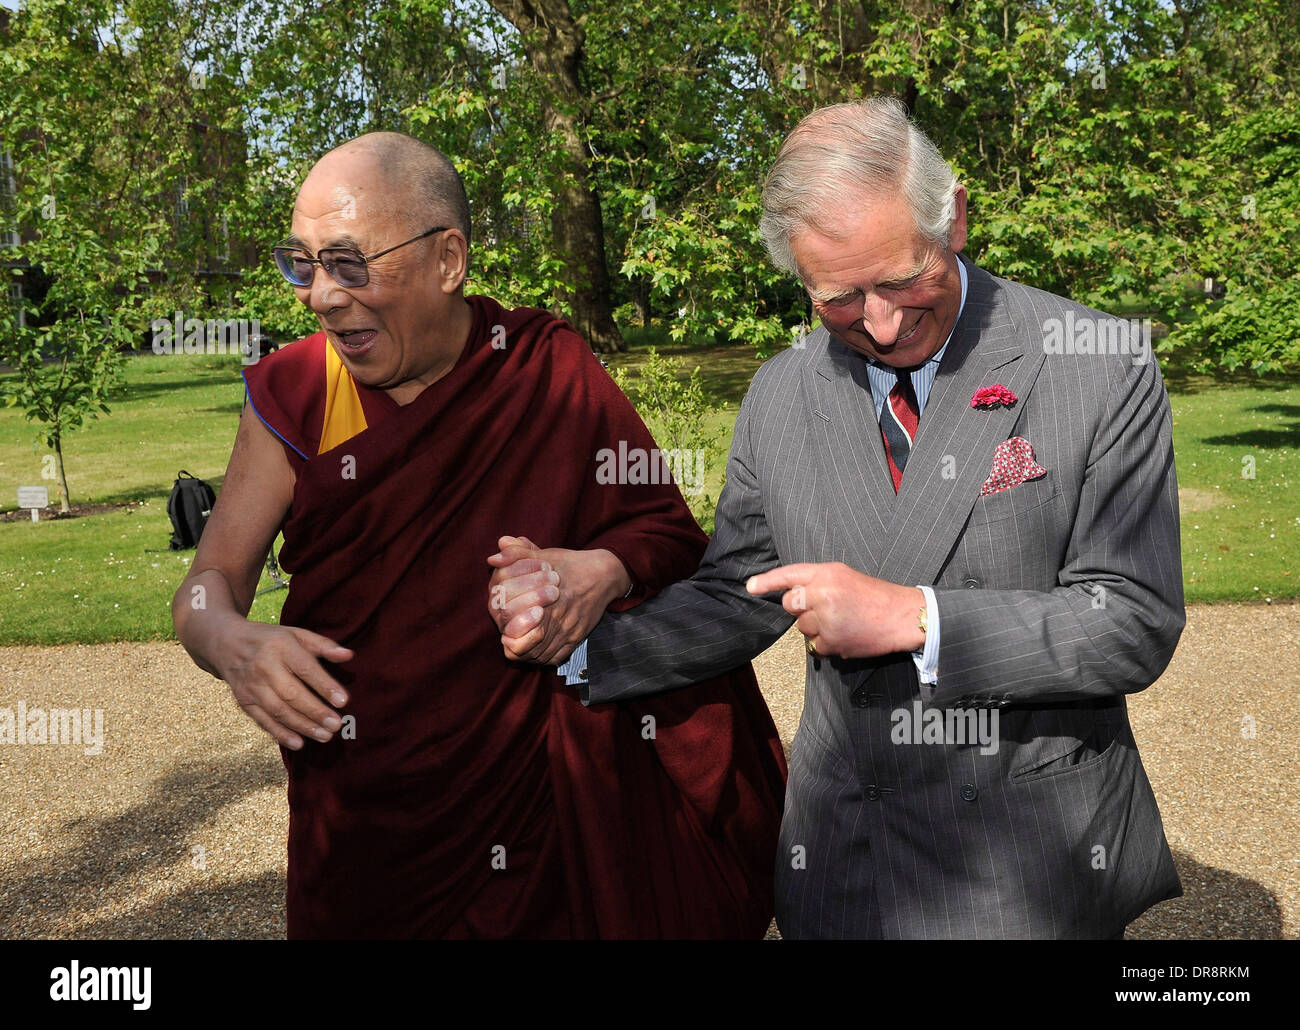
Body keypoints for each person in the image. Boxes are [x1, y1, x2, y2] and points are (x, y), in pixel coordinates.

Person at [489, 98, 1186, 939]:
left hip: (1021, 857)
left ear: (955, 216)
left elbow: (1133, 622)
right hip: (843, 850)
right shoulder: (782, 394)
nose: (883, 324)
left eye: (902, 279)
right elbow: (737, 593)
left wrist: (916, 619)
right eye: (840, 299)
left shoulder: (1098, 366)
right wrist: (575, 639)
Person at [171, 131, 787, 939]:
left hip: (540, 801)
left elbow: (666, 533)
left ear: (448, 260)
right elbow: (209, 578)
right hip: (364, 807)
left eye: (349, 264)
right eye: (302, 262)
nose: (319, 295)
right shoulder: (297, 391)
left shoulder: (546, 369)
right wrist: (226, 639)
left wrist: (597, 571)